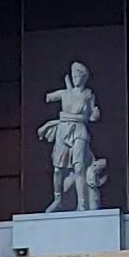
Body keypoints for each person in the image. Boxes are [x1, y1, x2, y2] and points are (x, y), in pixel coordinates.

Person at [39, 63, 103, 214]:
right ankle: (58, 198)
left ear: (84, 78)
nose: (75, 79)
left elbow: (92, 116)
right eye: (73, 76)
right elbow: (48, 97)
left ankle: (82, 204)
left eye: (78, 76)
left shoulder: (88, 94)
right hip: (63, 130)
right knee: (57, 169)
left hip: (79, 130)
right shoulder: (65, 93)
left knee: (79, 166)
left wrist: (95, 115)